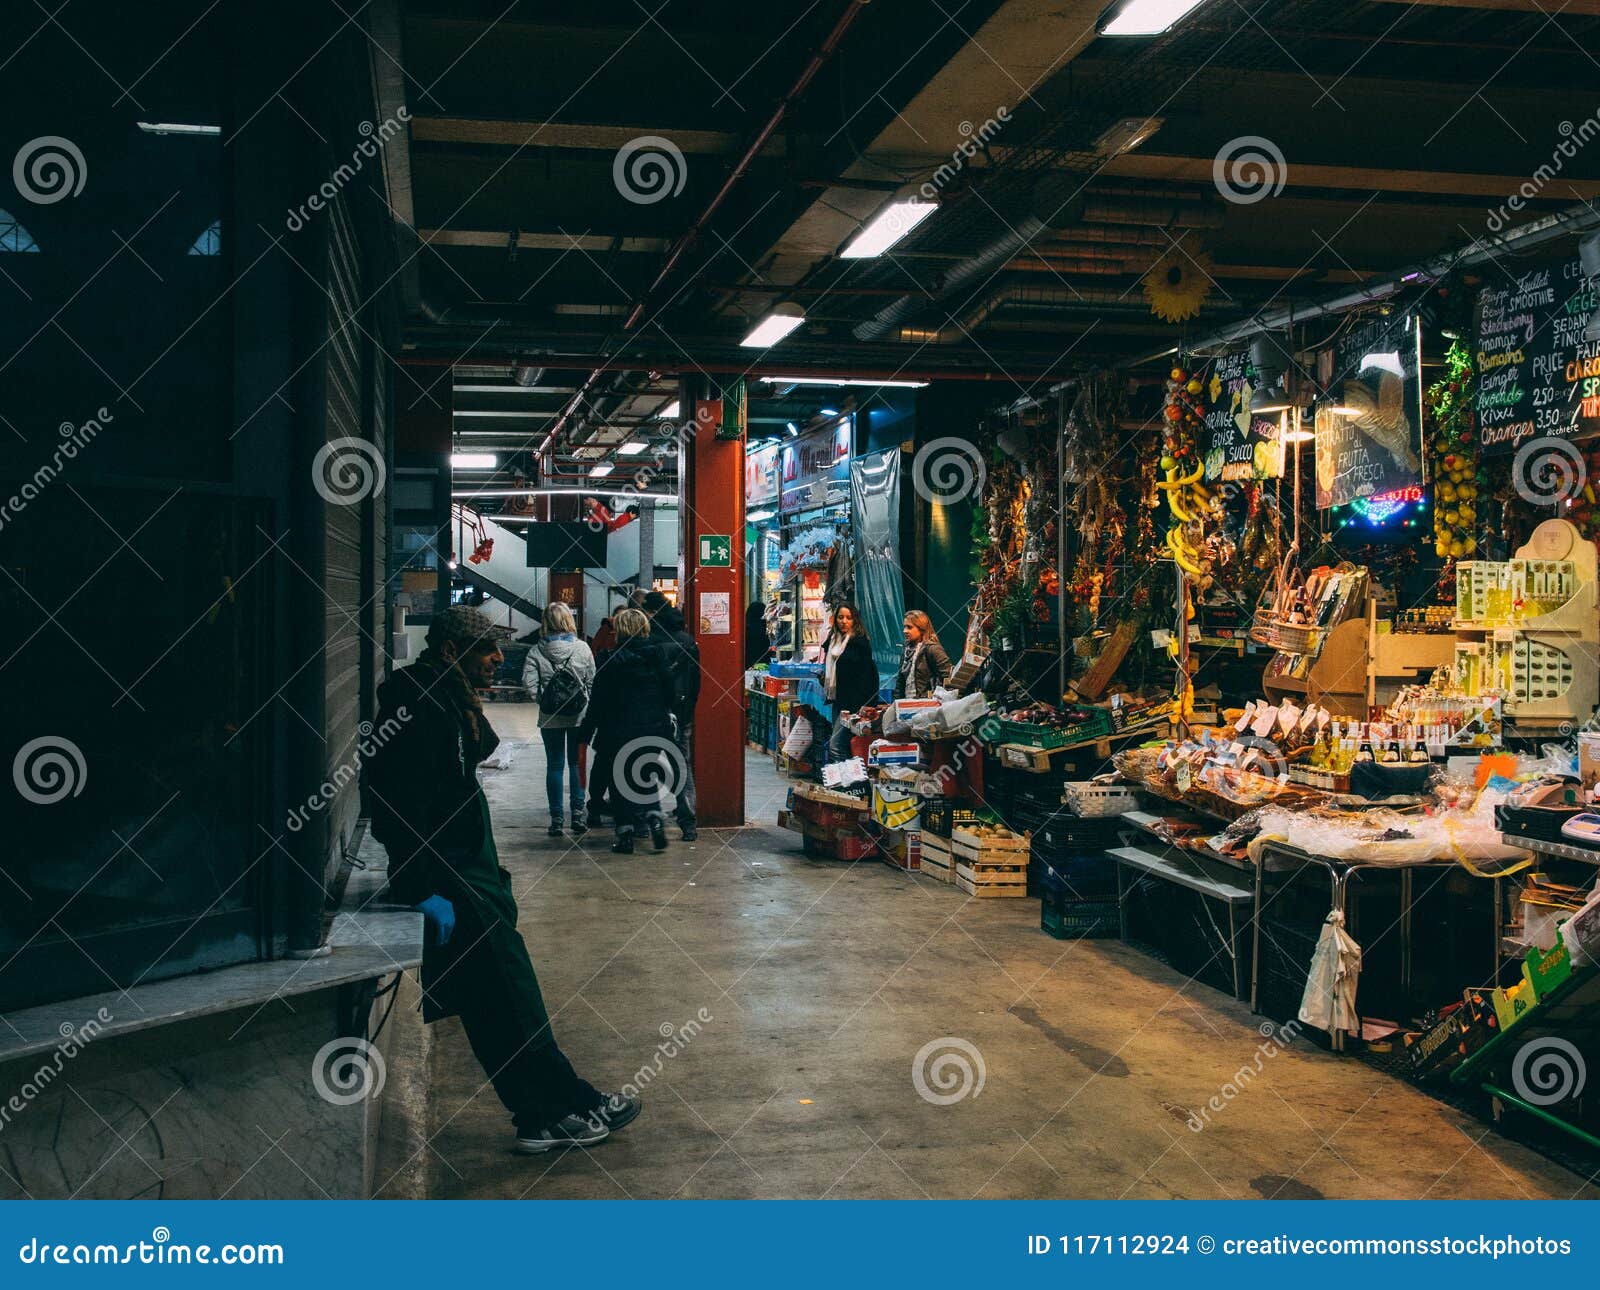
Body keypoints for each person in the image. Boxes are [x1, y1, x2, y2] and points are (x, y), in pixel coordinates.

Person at [366, 605, 640, 1154]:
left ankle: (562, 1100)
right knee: (505, 998)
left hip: (473, 872)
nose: (497, 659)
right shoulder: (418, 707)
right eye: (486, 649)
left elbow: (474, 756)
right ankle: (545, 1111)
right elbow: (396, 804)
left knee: (501, 996)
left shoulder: (449, 698)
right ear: (452, 652)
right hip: (450, 879)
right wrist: (422, 889)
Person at [580, 608, 676, 854]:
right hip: (653, 727)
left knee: (619, 780)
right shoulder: (658, 657)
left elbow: (598, 701)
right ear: (645, 628)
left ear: (619, 630)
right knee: (645, 773)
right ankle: (654, 815)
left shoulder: (609, 660)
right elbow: (670, 693)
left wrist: (586, 732)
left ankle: (625, 836)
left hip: (617, 730)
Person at [522, 603, 596, 837]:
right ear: (568, 621)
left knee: (554, 765)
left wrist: (543, 701)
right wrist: (585, 703)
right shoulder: (583, 648)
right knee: (576, 764)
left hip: (550, 717)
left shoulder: (536, 651)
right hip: (578, 717)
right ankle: (577, 815)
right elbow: (592, 681)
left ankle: (556, 819)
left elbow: (528, 683)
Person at [642, 590, 700, 841]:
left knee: (645, 765)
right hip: (682, 713)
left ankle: (647, 821)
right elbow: (696, 682)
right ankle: (688, 823)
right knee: (681, 765)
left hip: (654, 713)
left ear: (653, 613)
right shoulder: (688, 641)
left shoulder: (649, 641)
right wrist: (687, 712)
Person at [820, 604, 879, 763]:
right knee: (843, 745)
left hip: (854, 705)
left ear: (855, 620)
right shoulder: (833, 641)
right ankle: (848, 782)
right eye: (840, 617)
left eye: (848, 618)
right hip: (838, 701)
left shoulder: (859, 643)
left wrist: (864, 706)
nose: (844, 621)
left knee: (836, 745)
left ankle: (847, 783)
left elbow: (868, 675)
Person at [894, 610, 952, 699]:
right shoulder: (906, 649)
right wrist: (896, 704)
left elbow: (948, 677)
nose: (904, 631)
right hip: (907, 704)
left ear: (921, 628)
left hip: (926, 706)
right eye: (904, 627)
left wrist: (936, 698)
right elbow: (900, 682)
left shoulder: (932, 648)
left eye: (909, 627)